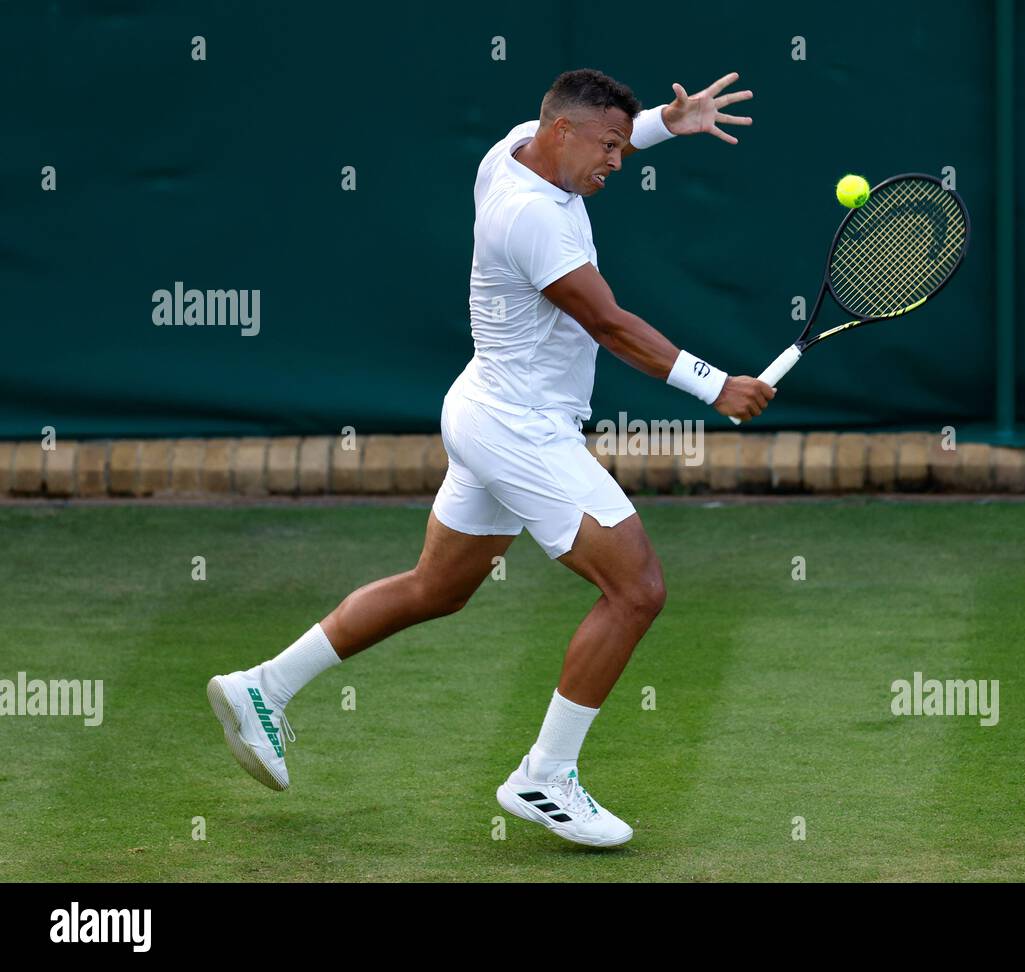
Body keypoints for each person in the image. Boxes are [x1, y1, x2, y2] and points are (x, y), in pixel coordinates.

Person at [208, 68, 774, 847]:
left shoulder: (515, 148)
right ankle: (545, 776)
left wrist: (660, 128)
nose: (616, 162)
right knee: (636, 588)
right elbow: (610, 325)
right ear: (563, 133)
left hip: (481, 407)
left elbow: (593, 141)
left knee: (435, 588)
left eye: (620, 146)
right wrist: (716, 388)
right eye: (608, 146)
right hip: (521, 429)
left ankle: (261, 688)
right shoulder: (531, 219)